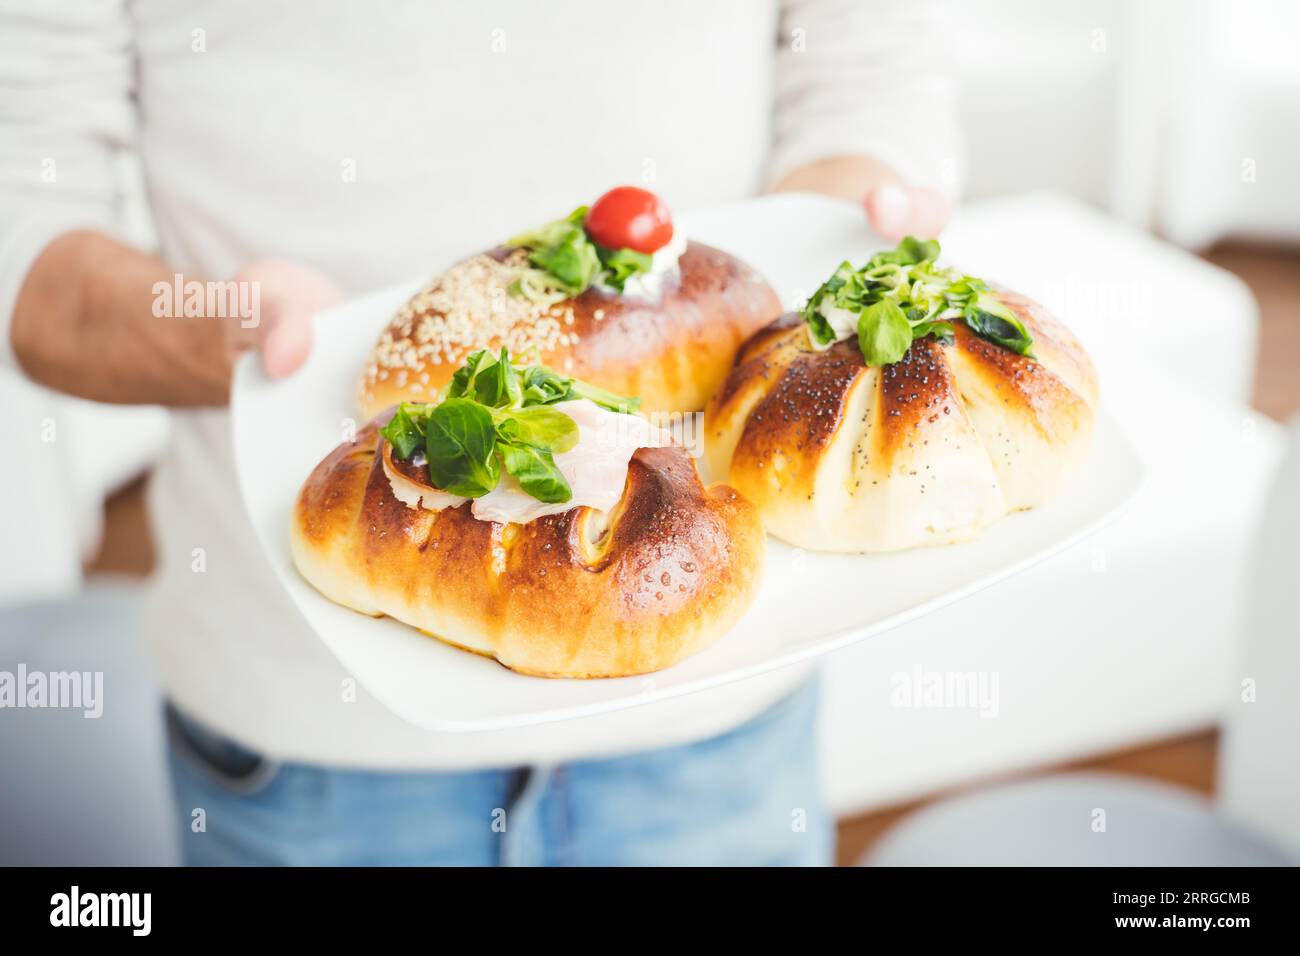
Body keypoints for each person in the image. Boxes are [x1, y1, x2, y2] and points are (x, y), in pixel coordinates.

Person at [1, 0, 959, 866]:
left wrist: (836, 238)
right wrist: (229, 335)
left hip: (718, 712)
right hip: (311, 748)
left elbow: (870, 65)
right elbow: (24, 211)